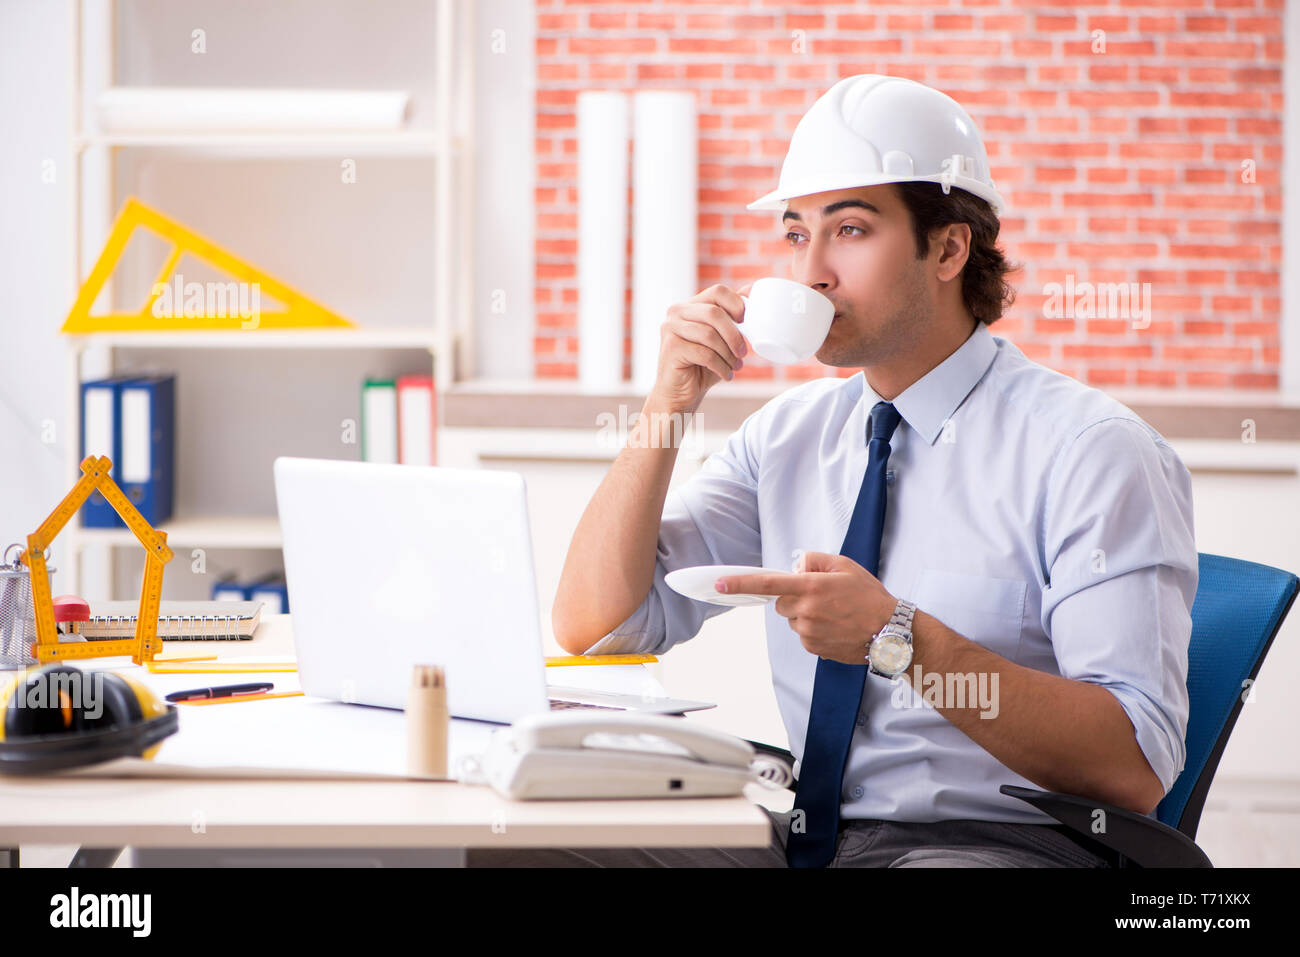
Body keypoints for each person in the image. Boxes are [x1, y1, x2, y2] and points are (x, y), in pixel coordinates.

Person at [469, 74, 1196, 868]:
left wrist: (899, 639)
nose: (809, 271)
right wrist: (669, 399)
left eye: (848, 230)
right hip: (806, 836)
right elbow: (595, 624)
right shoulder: (786, 437)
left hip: (994, 845)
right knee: (521, 851)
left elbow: (1133, 766)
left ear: (950, 247)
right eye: (793, 235)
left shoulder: (1090, 450)